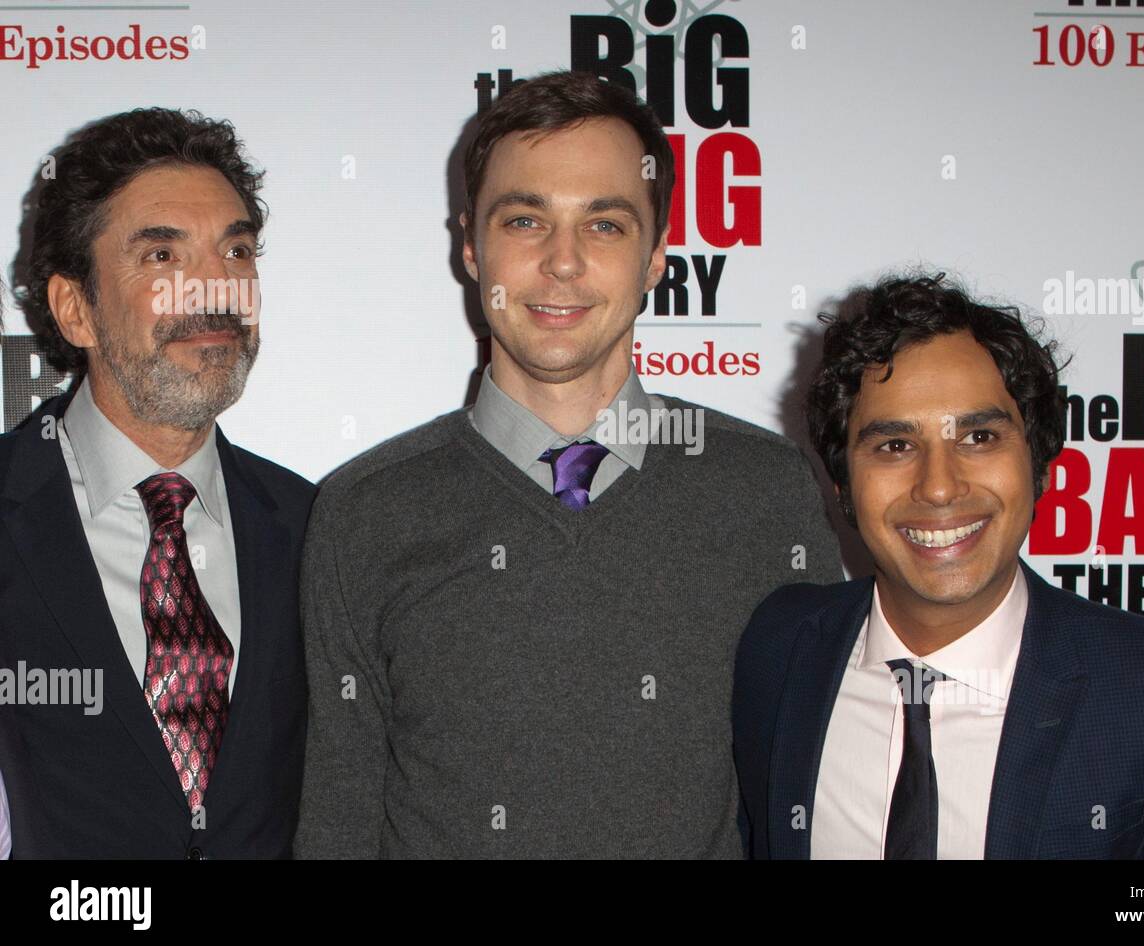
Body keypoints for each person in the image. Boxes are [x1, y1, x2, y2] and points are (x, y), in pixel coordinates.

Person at [294, 71, 843, 859]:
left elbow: (817, 787)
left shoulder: (763, 490)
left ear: (656, 257)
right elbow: (338, 823)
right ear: (470, 246)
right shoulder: (363, 511)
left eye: (606, 226)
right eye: (525, 220)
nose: (562, 262)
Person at [733, 273, 1144, 859]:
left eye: (979, 436)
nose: (939, 487)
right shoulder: (778, 646)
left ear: (1040, 466)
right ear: (842, 485)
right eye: (894, 446)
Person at [0, 108, 314, 858]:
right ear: (76, 308)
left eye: (236, 251)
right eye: (163, 257)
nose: (214, 290)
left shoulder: (318, 527)